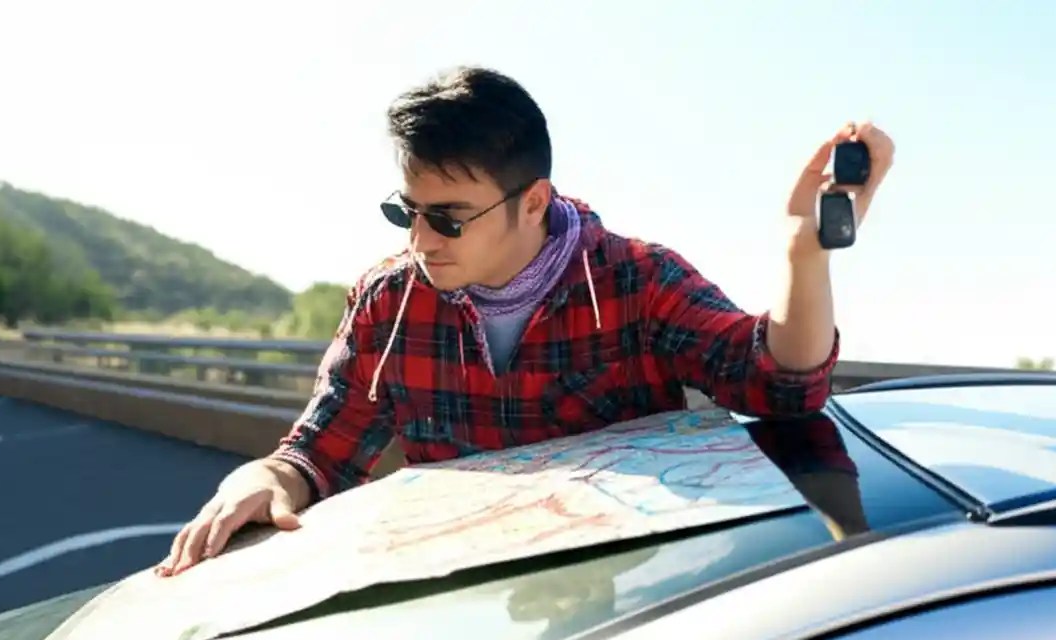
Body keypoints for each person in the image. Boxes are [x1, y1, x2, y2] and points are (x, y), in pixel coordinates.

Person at [156, 66, 894, 577]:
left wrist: (807, 255)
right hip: (464, 624)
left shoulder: (636, 281)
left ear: (534, 200)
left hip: (636, 615)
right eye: (405, 212)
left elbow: (780, 386)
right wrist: (266, 477)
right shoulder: (389, 302)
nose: (420, 242)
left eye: (446, 219)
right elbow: (318, 453)